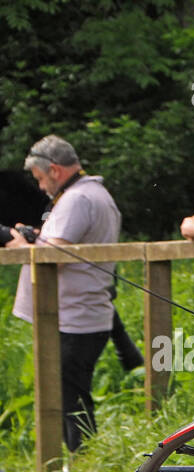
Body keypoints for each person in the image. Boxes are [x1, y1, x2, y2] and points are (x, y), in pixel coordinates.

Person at [4, 135, 121, 452]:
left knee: (69, 393)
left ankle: (82, 457)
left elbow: (51, 258)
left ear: (54, 170)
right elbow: (61, 246)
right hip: (79, 312)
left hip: (75, 315)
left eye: (40, 179)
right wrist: (38, 237)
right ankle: (82, 458)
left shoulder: (76, 199)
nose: (40, 187)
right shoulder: (89, 194)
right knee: (70, 390)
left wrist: (20, 246)